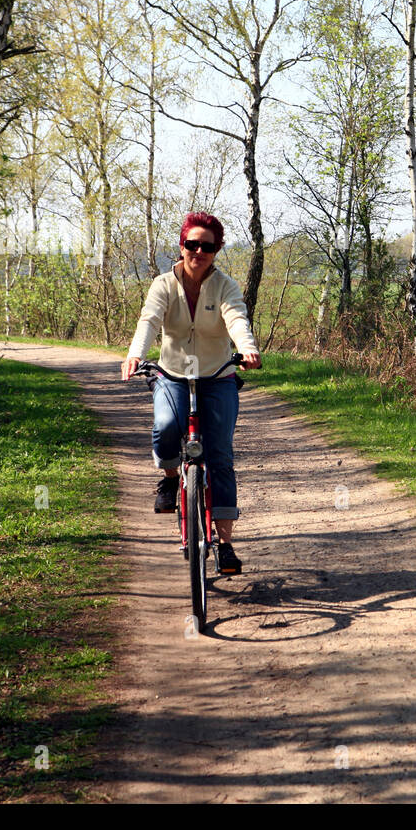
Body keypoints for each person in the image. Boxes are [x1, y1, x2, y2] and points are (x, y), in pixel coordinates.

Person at [121, 212, 261, 575]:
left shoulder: (225, 286)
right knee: (166, 425)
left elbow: (236, 318)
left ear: (217, 250)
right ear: (182, 245)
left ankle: (225, 545)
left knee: (220, 457)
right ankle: (170, 480)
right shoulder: (163, 284)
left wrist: (247, 348)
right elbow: (149, 320)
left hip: (217, 376)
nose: (199, 252)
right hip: (173, 375)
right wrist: (136, 354)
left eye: (207, 247)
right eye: (192, 244)